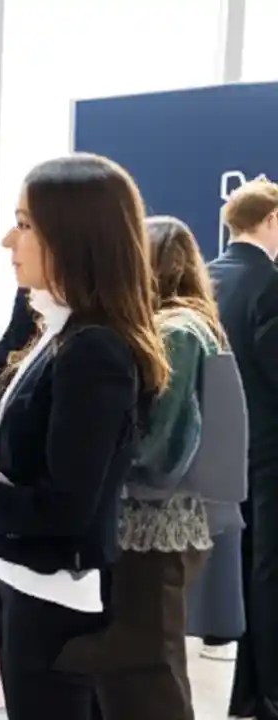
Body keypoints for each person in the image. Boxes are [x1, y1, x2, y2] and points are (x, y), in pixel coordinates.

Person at [0, 154, 169, 720]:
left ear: (71, 237)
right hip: (28, 580)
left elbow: (66, 506)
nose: (6, 241)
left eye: (23, 224)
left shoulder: (93, 349)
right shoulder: (60, 332)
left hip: (56, 592)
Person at [87, 216, 225, 719]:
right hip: (155, 525)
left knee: (150, 673)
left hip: (156, 526)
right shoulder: (183, 326)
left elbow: (161, 449)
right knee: (144, 666)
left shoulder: (177, 332)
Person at [208, 176, 278, 720]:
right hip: (270, 451)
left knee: (238, 569)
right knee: (268, 571)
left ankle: (242, 690)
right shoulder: (269, 283)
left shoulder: (206, 280)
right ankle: (269, 690)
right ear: (271, 221)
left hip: (220, 454)